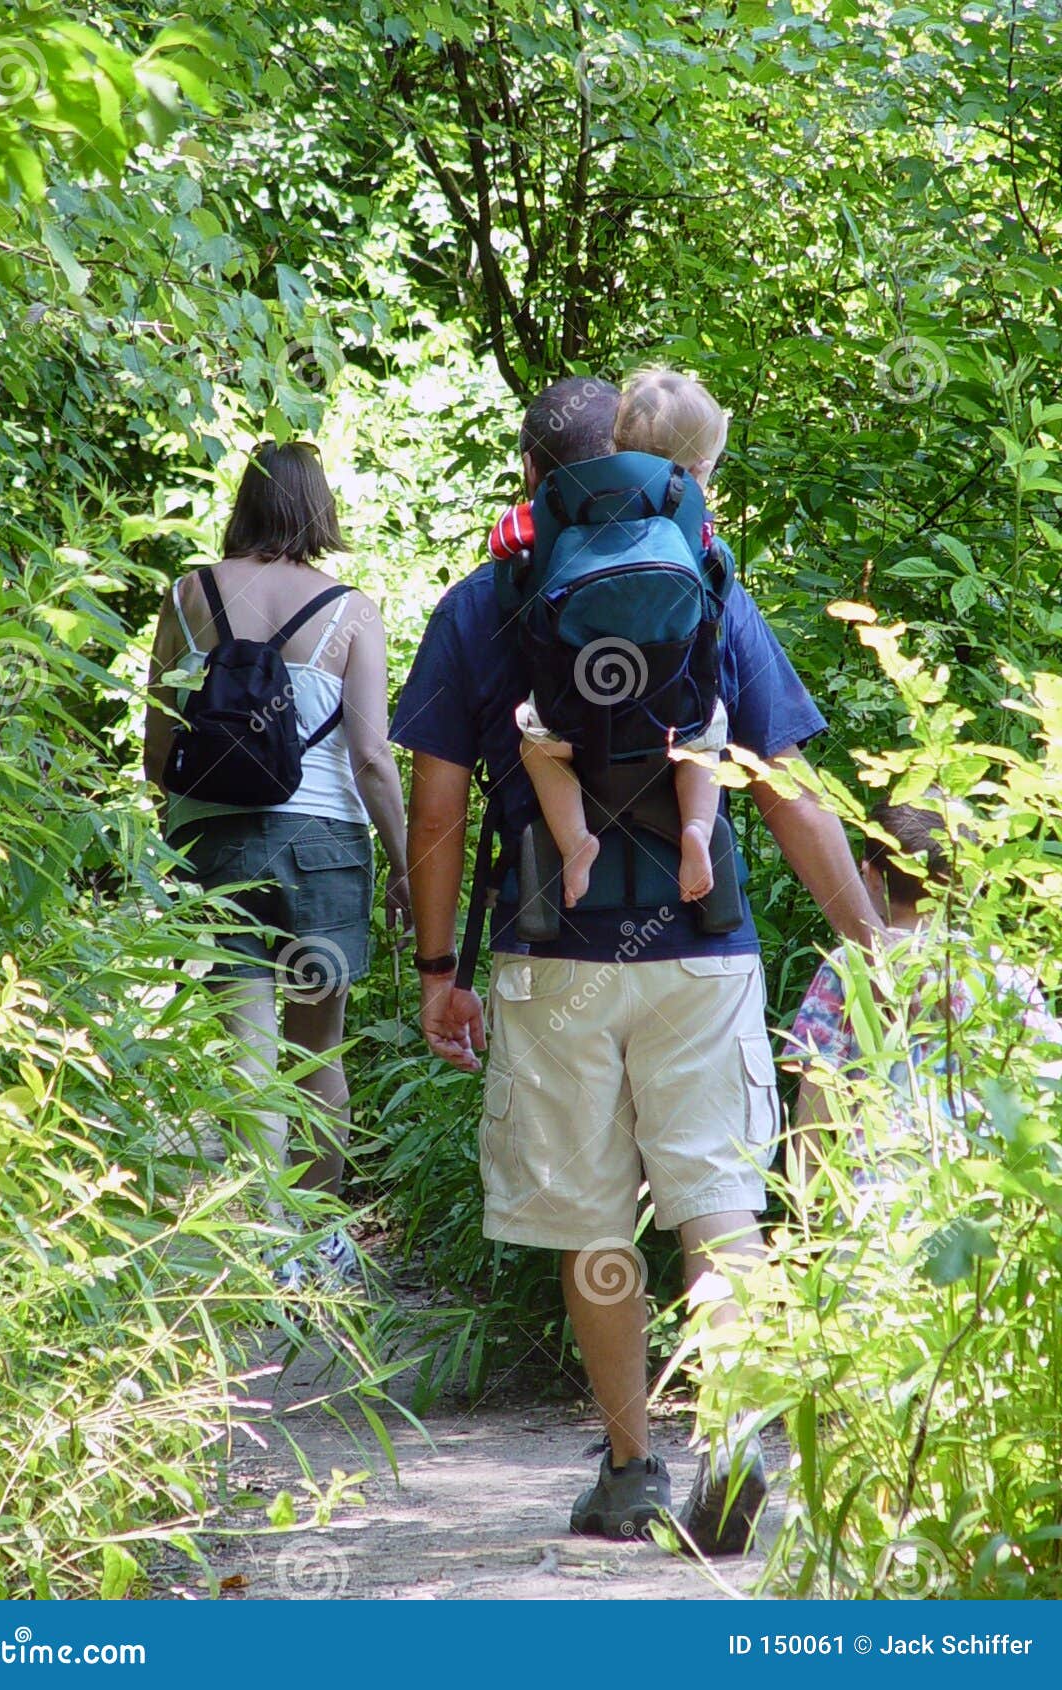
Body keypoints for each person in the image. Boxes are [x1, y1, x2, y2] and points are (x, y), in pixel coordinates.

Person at [390, 375, 883, 1550]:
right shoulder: (706, 576)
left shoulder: (484, 601)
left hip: (552, 958)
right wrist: (875, 949)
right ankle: (732, 1441)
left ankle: (630, 1469)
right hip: (705, 955)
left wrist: (434, 968)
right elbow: (792, 792)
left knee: (594, 1223)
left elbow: (437, 810)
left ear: (530, 476)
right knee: (720, 1202)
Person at [144, 440, 411, 1282]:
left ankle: (263, 1247)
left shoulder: (188, 595)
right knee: (317, 1052)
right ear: (318, 509)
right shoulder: (350, 611)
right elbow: (372, 757)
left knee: (246, 1048)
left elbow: (157, 754)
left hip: (216, 843)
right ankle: (319, 1240)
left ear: (244, 503)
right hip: (323, 850)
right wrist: (407, 866)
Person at [493, 369, 730, 909]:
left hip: (571, 709)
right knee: (707, 744)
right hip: (679, 711)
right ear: (699, 468)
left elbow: (506, 544)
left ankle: (576, 841)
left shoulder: (559, 506)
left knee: (537, 745)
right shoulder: (695, 523)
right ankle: (696, 827)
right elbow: (718, 577)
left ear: (617, 443)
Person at [786, 798, 1062, 1199]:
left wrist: (808, 1208)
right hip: (980, 1191)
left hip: (875, 1197)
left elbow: (816, 1102)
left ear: (871, 876)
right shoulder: (999, 969)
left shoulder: (849, 967)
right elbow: (1047, 1078)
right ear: (965, 881)